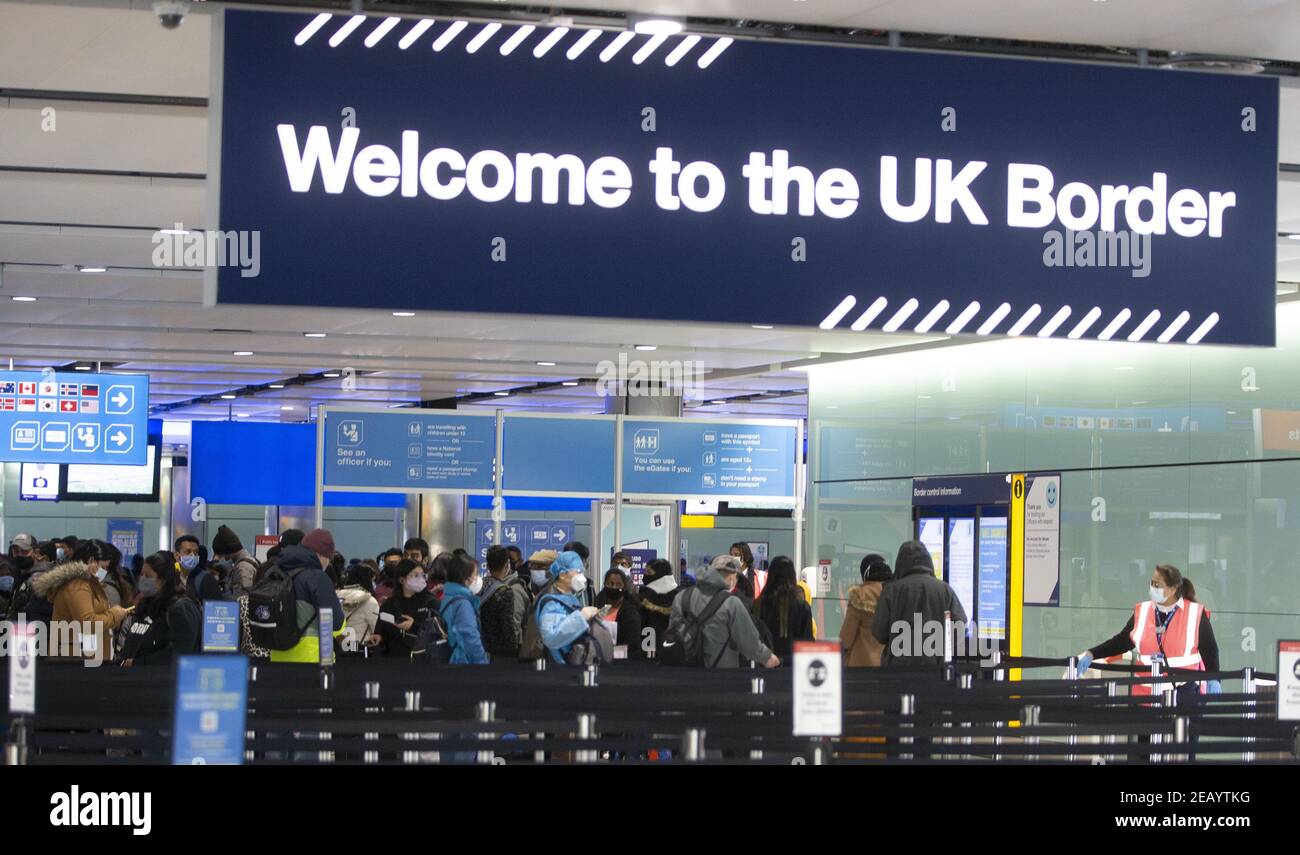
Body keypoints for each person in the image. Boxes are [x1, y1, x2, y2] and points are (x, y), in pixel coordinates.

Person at [1077, 564, 1221, 702]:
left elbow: (1210, 650)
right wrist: (1092, 653)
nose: (1152, 588)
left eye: (1157, 585)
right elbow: (1121, 641)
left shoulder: (1194, 613)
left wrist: (1214, 678)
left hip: (1184, 693)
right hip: (1145, 694)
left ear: (1172, 589)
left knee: (1180, 728)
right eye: (1151, 583)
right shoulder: (1144, 611)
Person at [669, 556, 779, 669]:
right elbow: (748, 643)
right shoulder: (731, 603)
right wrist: (768, 658)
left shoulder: (682, 597)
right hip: (720, 676)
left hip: (683, 673)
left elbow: (673, 632)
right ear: (732, 577)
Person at [871, 541, 966, 667]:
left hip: (898, 670)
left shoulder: (892, 590)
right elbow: (959, 626)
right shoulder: (944, 589)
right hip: (935, 669)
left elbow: (879, 632)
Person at [267, 528, 345, 664]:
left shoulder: (276, 572)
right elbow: (336, 623)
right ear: (321, 555)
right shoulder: (317, 577)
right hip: (311, 660)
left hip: (277, 657)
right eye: (328, 558)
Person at [31, 555, 129, 660]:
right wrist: (114, 616)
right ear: (91, 561)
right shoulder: (77, 586)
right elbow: (87, 622)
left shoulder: (91, 585)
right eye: (102, 567)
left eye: (106, 569)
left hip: (84, 656)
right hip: (75, 660)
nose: (104, 572)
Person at [118, 551, 201, 667]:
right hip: (136, 678)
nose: (142, 579)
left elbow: (178, 652)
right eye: (141, 574)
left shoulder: (180, 607)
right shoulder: (146, 605)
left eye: (148, 576)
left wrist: (140, 663)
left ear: (163, 580)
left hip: (164, 680)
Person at [536, 551, 600, 664]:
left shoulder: (571, 598)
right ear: (562, 575)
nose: (582, 577)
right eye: (578, 572)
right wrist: (581, 617)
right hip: (556, 667)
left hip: (571, 664)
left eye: (582, 572)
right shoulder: (551, 602)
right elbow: (550, 637)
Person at [752, 556, 813, 663]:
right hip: (792, 667)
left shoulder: (759, 604)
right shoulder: (802, 607)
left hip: (764, 665)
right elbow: (807, 644)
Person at [378, 558, 437, 658]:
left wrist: (413, 626)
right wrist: (377, 637)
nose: (421, 579)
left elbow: (437, 631)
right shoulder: (389, 604)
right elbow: (380, 630)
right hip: (393, 659)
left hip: (423, 659)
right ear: (402, 580)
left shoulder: (431, 602)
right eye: (415, 575)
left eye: (423, 575)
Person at [841, 554, 892, 666]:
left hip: (862, 665)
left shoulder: (861, 595)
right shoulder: (897, 594)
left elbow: (846, 638)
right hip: (890, 665)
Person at [479, 544, 530, 659]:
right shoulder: (508, 591)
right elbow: (511, 628)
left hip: (482, 649)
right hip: (503, 654)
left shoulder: (480, 587)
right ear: (507, 564)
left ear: (487, 565)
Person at [441, 552, 489, 664]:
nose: (477, 578)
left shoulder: (448, 596)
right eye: (475, 575)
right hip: (463, 663)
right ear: (465, 578)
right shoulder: (463, 604)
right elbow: (470, 639)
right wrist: (482, 662)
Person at [595, 565, 644, 658]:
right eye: (610, 583)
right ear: (605, 584)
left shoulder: (631, 612)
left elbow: (632, 644)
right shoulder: (597, 605)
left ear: (624, 587)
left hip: (624, 662)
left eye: (618, 584)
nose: (614, 587)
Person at [638, 558, 681, 656]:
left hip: (648, 646)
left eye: (649, 572)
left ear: (659, 574)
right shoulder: (679, 595)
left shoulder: (644, 596)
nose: (645, 575)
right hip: (672, 647)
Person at [73, 540, 134, 608]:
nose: (103, 571)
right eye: (102, 567)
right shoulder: (77, 585)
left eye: (104, 567)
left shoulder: (108, 588)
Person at [337, 562, 381, 654]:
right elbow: (377, 628)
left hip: (339, 648)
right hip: (360, 649)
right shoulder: (370, 601)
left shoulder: (337, 597)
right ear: (368, 581)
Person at [212, 525, 259, 597]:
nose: (223, 558)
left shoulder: (243, 568)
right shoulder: (242, 563)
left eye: (221, 555)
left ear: (227, 551)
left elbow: (243, 598)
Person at [176, 534, 221, 601]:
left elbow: (213, 608)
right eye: (188, 552)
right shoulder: (172, 579)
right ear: (177, 556)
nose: (193, 555)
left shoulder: (206, 579)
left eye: (196, 552)